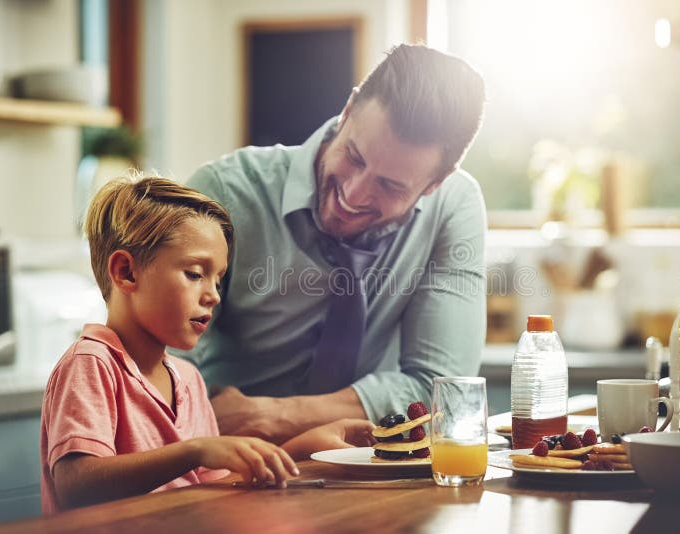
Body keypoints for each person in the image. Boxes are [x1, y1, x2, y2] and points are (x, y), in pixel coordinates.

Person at [176, 43, 488, 443]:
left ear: (434, 184)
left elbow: (447, 390)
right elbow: (148, 368)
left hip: (368, 470)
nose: (354, 196)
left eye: (390, 185)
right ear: (348, 110)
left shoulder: (454, 204)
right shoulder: (223, 194)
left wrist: (278, 415)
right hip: (225, 458)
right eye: (355, 157)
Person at [40, 177, 374, 514]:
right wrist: (196, 450)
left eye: (218, 278)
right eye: (195, 273)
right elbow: (76, 486)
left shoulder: (188, 379)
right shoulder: (91, 364)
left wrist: (304, 447)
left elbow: (215, 486)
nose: (213, 294)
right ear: (126, 272)